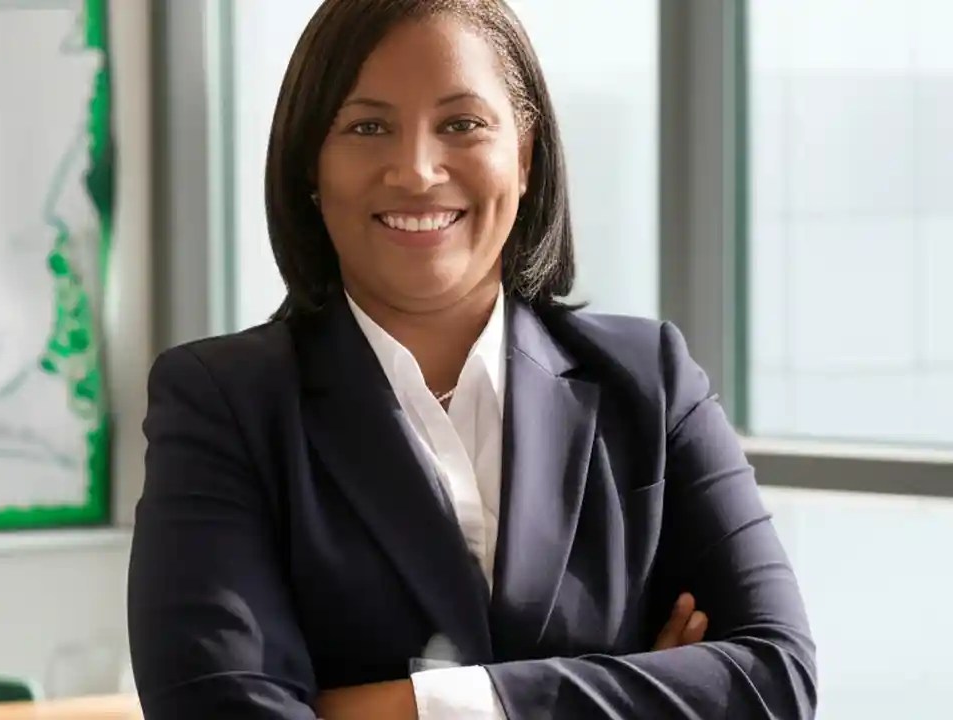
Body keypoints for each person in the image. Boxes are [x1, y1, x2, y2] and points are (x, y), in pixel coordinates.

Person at [128, 0, 816, 717]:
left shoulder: (651, 380)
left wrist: (400, 707)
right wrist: (640, 690)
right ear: (312, 165)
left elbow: (776, 677)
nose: (417, 171)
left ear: (524, 157)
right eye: (368, 127)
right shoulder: (222, 402)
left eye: (461, 124)